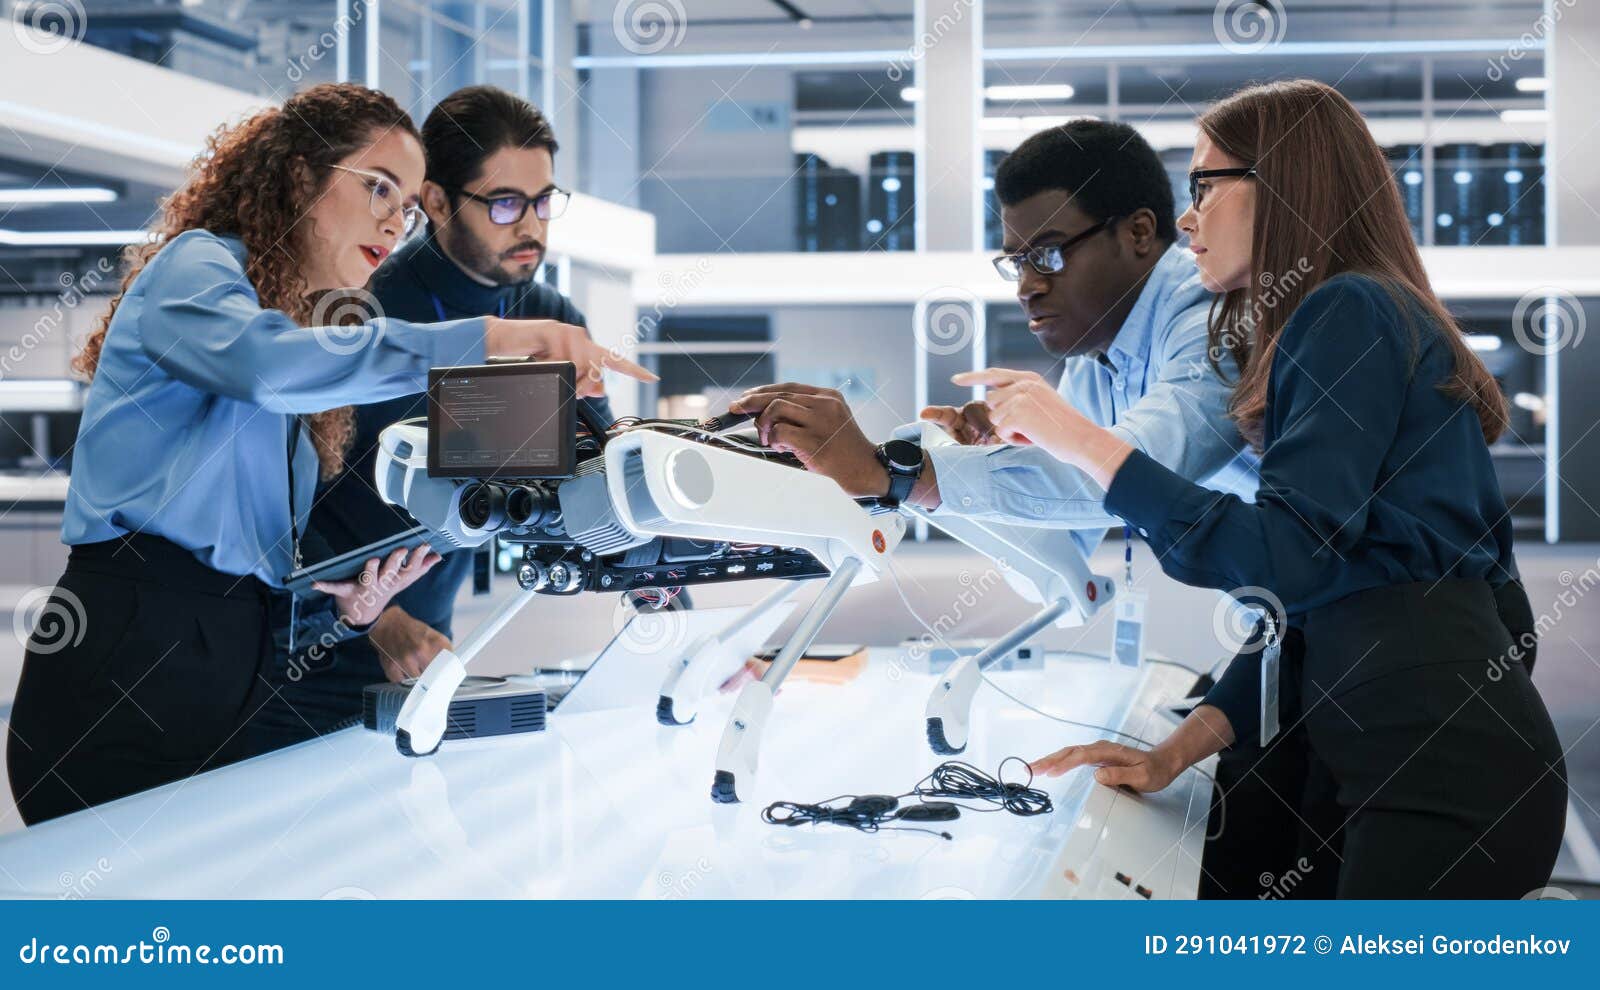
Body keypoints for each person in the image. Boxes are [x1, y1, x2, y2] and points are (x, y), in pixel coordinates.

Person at [976, 80, 1565, 898]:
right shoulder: (1350, 315)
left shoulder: (1348, 309)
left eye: (1204, 188)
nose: (1187, 220)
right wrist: (1173, 753)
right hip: (1406, 744)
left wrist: (1082, 444)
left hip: (1432, 765)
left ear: (1286, 182)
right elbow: (1313, 602)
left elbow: (1286, 558)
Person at [5, 83, 653, 826]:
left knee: (223, 919)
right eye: (378, 187)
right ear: (299, 176)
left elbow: (268, 560)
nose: (393, 218)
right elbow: (265, 368)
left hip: (238, 666)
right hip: (134, 650)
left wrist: (356, 610)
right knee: (122, 920)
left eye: (404, 203)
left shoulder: (311, 336)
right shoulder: (197, 267)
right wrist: (488, 342)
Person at [247, 86, 612, 748]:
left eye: (543, 201)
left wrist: (673, 598)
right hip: (302, 657)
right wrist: (380, 619)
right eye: (505, 203)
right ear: (438, 203)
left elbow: (603, 484)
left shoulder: (555, 321)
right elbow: (274, 511)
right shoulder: (358, 307)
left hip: (429, 653)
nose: (531, 225)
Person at [730, 120, 1256, 553]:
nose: (1028, 286)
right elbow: (1063, 539)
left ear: (1138, 232)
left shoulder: (1211, 318)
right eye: (1017, 262)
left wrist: (895, 471)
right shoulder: (1097, 364)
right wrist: (986, 460)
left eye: (1048, 254)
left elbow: (1134, 472)